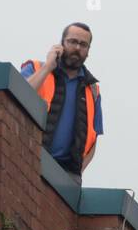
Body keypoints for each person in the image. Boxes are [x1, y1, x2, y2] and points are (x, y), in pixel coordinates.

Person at [20, 23, 104, 178]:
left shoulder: (92, 90)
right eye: (72, 42)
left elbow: (93, 140)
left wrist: (76, 175)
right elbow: (18, 94)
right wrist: (47, 68)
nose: (77, 48)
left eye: (83, 45)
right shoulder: (36, 68)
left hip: (68, 173)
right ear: (61, 44)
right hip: (30, 158)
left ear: (88, 51)